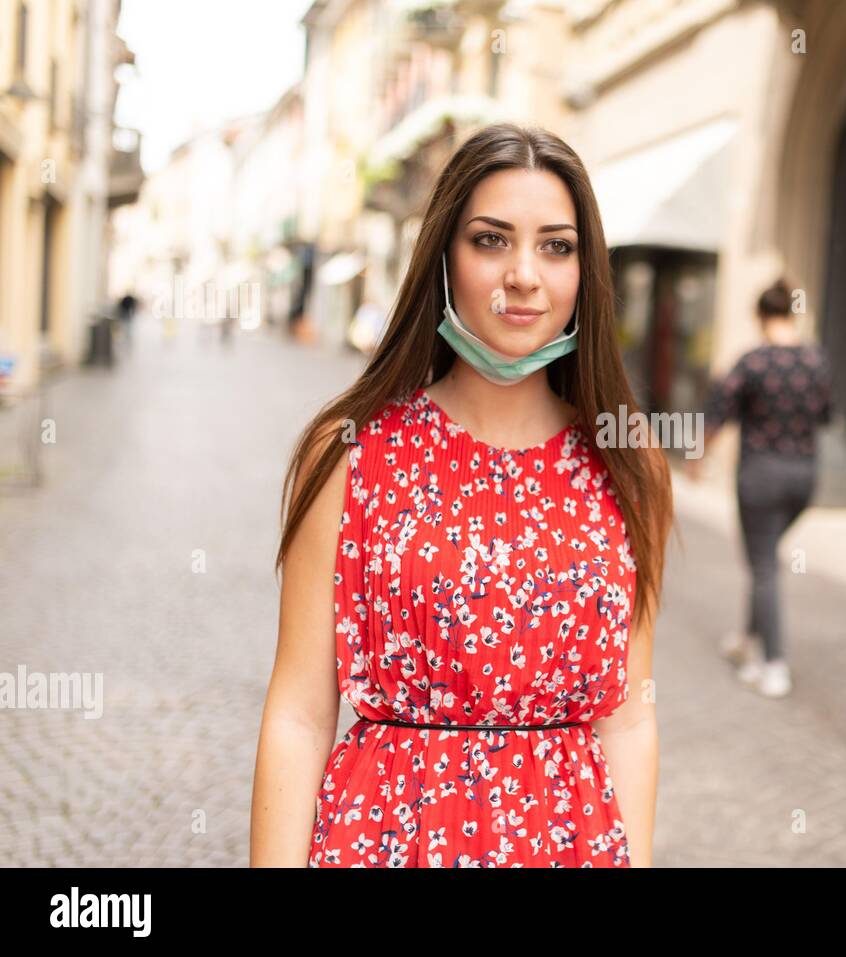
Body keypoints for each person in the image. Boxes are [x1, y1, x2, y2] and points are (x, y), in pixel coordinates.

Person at [252, 123, 674, 868]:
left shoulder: (628, 467)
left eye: (556, 245)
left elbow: (630, 719)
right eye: (491, 240)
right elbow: (298, 711)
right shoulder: (352, 452)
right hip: (387, 843)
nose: (524, 274)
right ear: (444, 257)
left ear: (586, 273)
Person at [688, 278, 834, 698]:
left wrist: (697, 458)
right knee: (765, 558)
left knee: (763, 565)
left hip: (761, 476)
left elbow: (718, 414)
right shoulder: (817, 360)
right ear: (794, 314)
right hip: (804, 477)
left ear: (759, 316)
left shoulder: (752, 362)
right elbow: (826, 415)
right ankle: (747, 640)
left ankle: (773, 665)